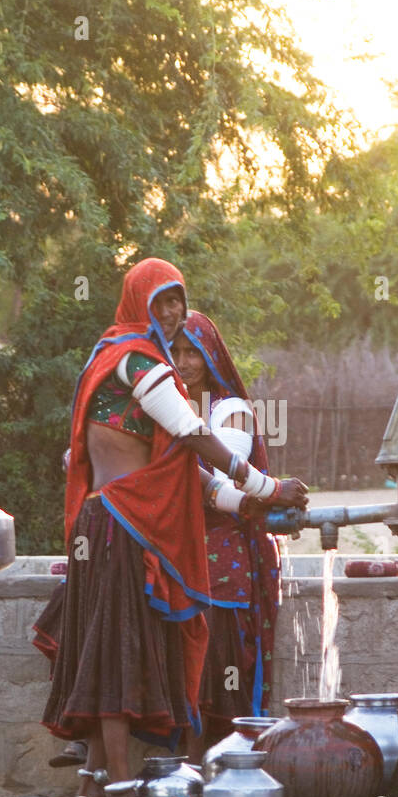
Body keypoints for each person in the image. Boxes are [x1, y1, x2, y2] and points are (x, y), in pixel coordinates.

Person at [39, 258, 307, 797]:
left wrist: (249, 504)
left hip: (111, 524)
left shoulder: (114, 356)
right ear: (139, 303)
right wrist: (265, 483)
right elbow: (192, 433)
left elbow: (191, 476)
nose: (171, 312)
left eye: (177, 300)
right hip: (120, 525)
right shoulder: (135, 359)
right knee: (116, 656)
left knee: (117, 651)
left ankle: (90, 790)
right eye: (161, 301)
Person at [170, 310, 281, 748]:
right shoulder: (160, 406)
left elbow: (226, 479)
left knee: (214, 675)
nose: (183, 362)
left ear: (210, 355)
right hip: (172, 544)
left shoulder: (230, 410)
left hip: (221, 554)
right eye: (174, 351)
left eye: (192, 351)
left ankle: (209, 765)